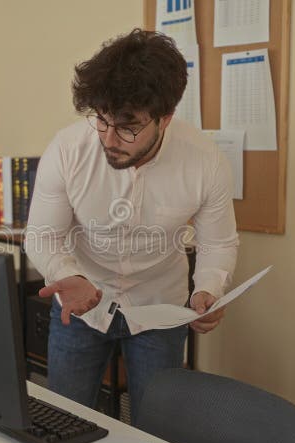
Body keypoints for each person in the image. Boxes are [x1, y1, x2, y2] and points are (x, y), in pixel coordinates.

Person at [23, 28, 239, 423]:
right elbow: (43, 235)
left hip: (160, 308)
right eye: (102, 120)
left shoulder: (205, 162)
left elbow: (219, 242)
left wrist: (209, 287)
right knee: (63, 421)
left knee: (159, 426)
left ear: (166, 117)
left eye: (128, 127)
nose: (109, 138)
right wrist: (63, 273)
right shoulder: (69, 149)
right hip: (80, 306)